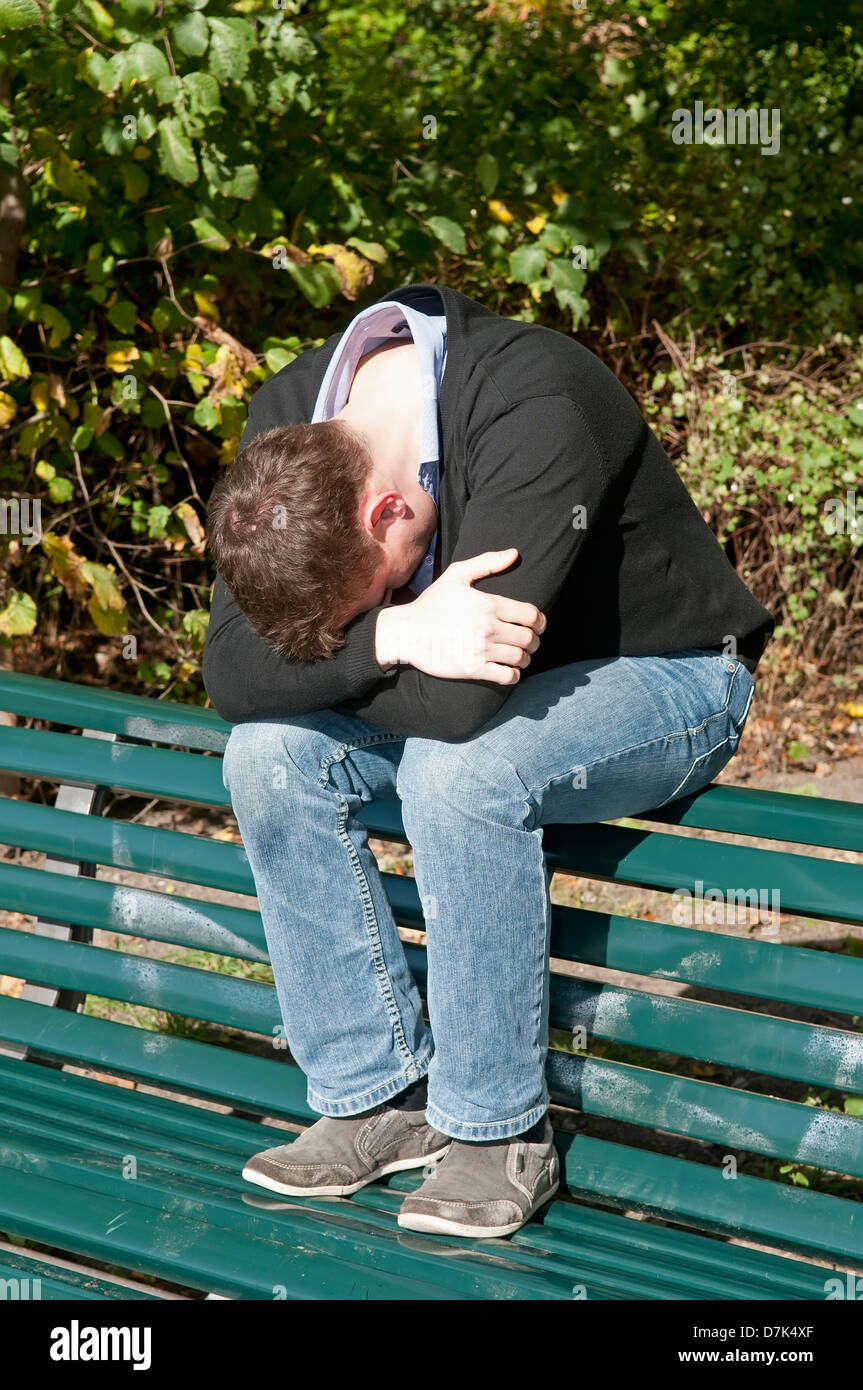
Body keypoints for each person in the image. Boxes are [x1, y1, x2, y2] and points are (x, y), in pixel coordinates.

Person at [202, 281, 774, 1239]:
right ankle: (377, 1099)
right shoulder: (287, 423)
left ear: (390, 508)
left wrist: (326, 664)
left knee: (457, 776)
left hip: (665, 677)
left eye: (368, 596)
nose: (360, 622)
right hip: (466, 689)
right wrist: (392, 634)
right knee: (266, 756)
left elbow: (467, 701)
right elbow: (231, 671)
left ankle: (494, 1129)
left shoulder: (534, 402)